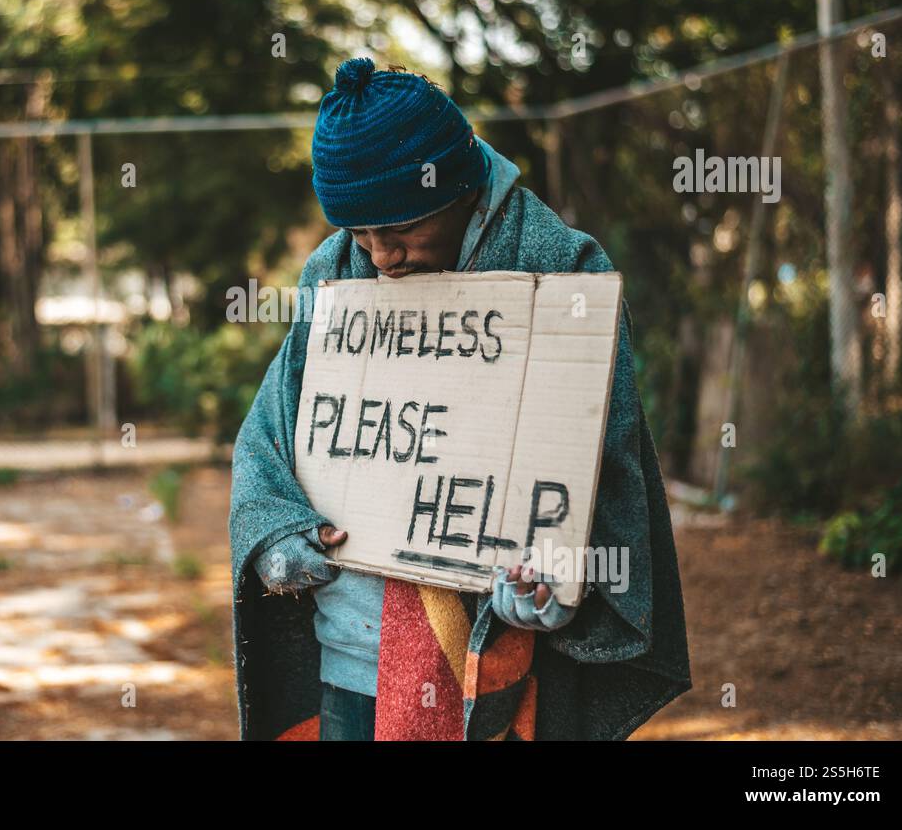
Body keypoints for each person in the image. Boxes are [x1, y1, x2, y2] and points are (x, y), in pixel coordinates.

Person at [229, 57, 692, 741]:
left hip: (499, 663)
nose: (381, 255)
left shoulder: (559, 272)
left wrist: (558, 579)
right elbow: (271, 427)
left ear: (456, 191)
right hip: (346, 655)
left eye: (401, 229)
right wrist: (275, 533)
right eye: (361, 234)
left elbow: (604, 467)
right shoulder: (333, 275)